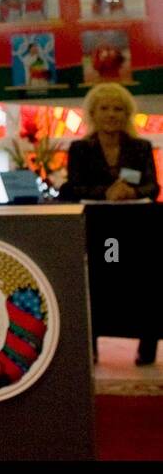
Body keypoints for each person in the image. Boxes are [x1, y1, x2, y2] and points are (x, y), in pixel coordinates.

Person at [63, 82, 158, 365]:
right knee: (98, 282)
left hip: (136, 228)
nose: (111, 114)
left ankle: (147, 345)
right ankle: (90, 346)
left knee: (143, 284)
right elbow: (73, 188)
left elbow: (153, 186)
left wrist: (132, 192)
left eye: (118, 109)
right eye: (105, 108)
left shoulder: (140, 147)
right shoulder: (80, 148)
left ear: (127, 114)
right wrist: (105, 192)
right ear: (93, 113)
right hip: (99, 229)